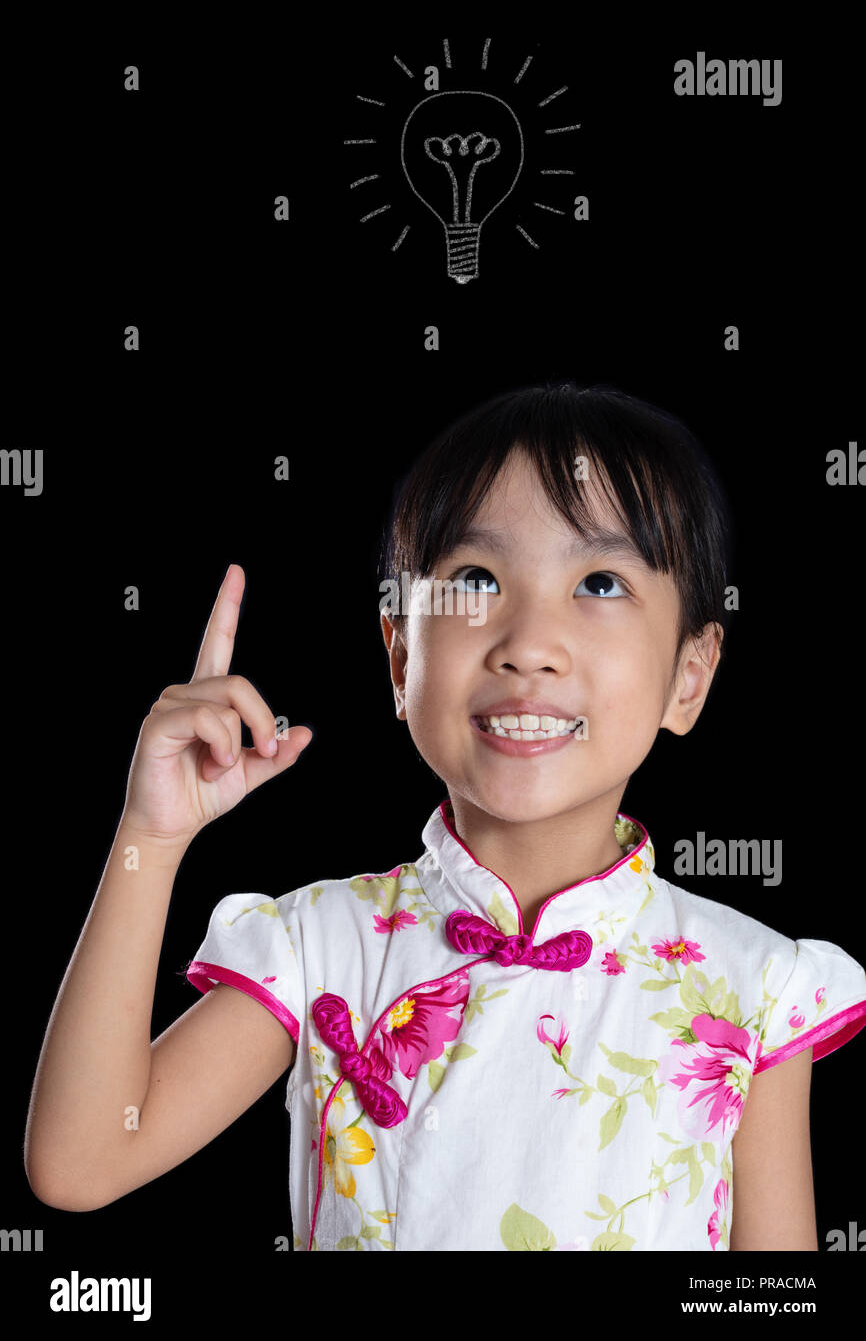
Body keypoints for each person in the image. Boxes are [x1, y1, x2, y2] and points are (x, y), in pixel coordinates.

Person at [25, 381, 866, 1252]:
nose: (528, 644)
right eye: (475, 580)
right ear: (399, 658)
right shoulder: (320, 950)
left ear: (689, 678)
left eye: (601, 581)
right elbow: (82, 1162)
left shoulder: (756, 986)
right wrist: (151, 838)